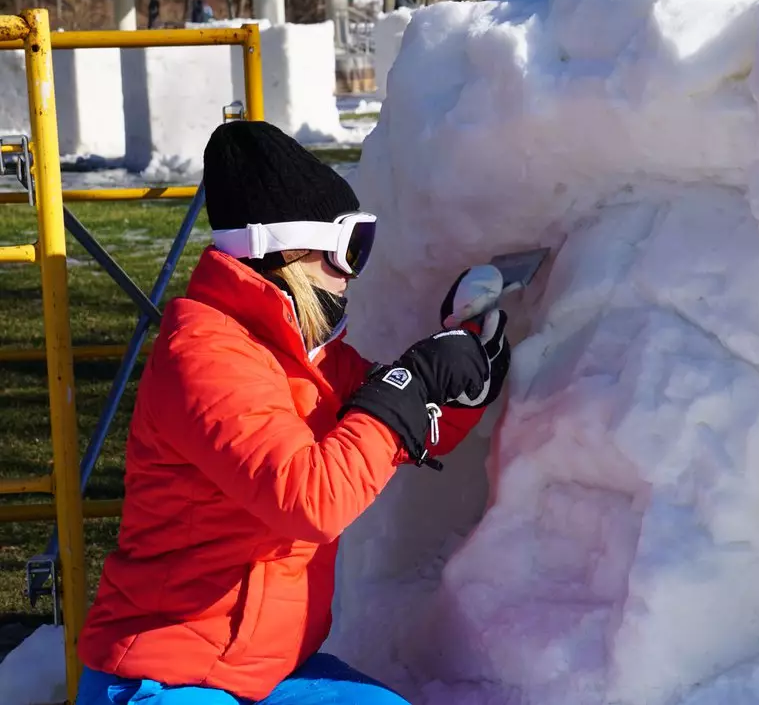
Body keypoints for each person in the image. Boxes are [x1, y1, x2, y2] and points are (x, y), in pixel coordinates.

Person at [73, 120, 511, 705]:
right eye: (349, 249)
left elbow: (394, 425)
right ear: (287, 250)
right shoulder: (205, 357)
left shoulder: (305, 359)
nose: (353, 275)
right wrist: (412, 384)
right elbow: (312, 501)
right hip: (164, 677)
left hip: (263, 672)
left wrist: (465, 374)